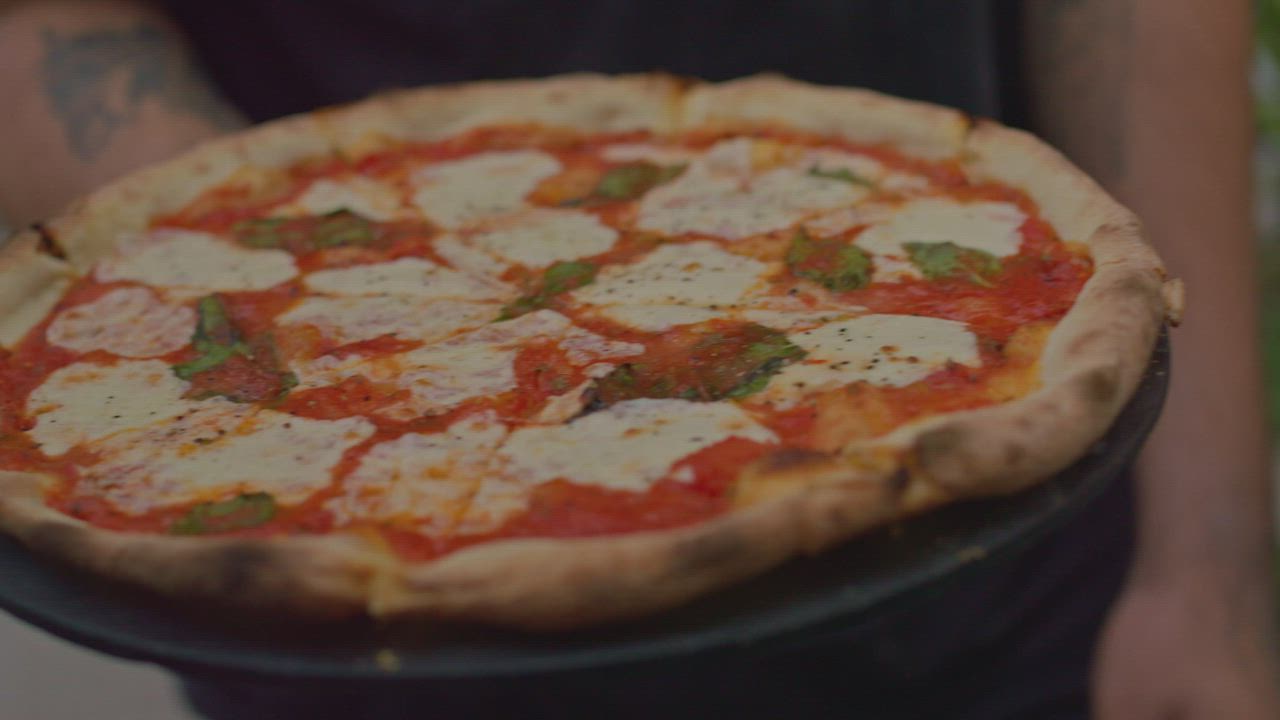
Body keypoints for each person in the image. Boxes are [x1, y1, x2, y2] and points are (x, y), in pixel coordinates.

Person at [0, 1, 1276, 717]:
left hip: (1004, 580)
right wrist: (330, 271)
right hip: (380, 661)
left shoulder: (1015, 311)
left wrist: (1205, 578)